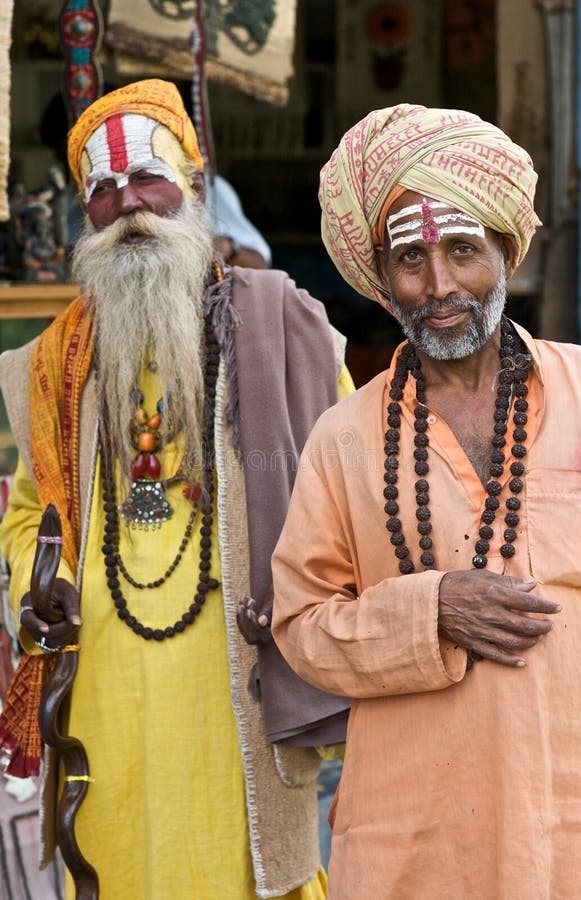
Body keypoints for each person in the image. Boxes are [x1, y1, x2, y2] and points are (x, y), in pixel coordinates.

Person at [0, 79, 353, 900]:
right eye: (103, 189)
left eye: (148, 178)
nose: (128, 204)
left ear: (194, 186)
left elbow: (349, 489)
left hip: (239, 686)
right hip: (103, 697)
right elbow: (25, 517)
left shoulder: (286, 328)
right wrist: (43, 580)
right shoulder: (52, 366)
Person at [271, 103, 581, 899]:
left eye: (463, 250)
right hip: (416, 837)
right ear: (382, 281)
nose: (440, 285)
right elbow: (300, 626)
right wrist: (431, 610)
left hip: (578, 825)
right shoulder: (342, 437)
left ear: (507, 254)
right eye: (411, 259)